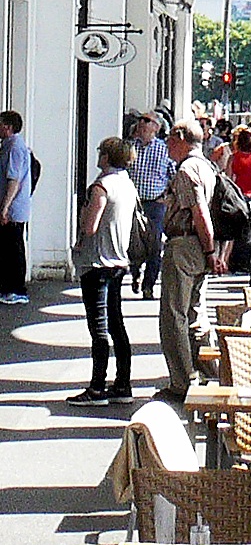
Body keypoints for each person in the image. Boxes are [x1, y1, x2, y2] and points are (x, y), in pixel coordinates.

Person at [71, 138, 138, 404]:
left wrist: (85, 210)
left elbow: (90, 227)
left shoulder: (101, 186)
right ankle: (123, 384)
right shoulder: (127, 184)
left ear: (107, 157)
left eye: (101, 152)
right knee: (116, 324)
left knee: (98, 327)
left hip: (97, 262)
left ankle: (97, 387)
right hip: (119, 262)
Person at [157, 119, 217, 402]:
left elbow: (199, 212)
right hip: (197, 246)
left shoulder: (187, 169)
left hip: (184, 243)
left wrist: (209, 250)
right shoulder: (206, 167)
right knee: (194, 312)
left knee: (174, 315)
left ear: (181, 138)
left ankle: (182, 380)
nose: (166, 142)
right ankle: (204, 370)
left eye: (170, 137)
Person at [129, 110, 170, 298]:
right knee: (132, 243)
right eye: (140, 121)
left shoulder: (164, 148)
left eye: (146, 120)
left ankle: (149, 285)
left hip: (155, 203)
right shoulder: (130, 147)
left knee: (155, 246)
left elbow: (173, 174)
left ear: (156, 127)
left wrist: (168, 196)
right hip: (134, 203)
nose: (142, 124)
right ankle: (135, 272)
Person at [0, 108, 32, 304]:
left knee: (13, 248)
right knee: (9, 247)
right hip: (13, 206)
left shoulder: (14, 148)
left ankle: (16, 288)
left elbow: (14, 179)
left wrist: (4, 207)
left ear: (8, 127)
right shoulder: (9, 145)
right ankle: (9, 286)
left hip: (13, 208)